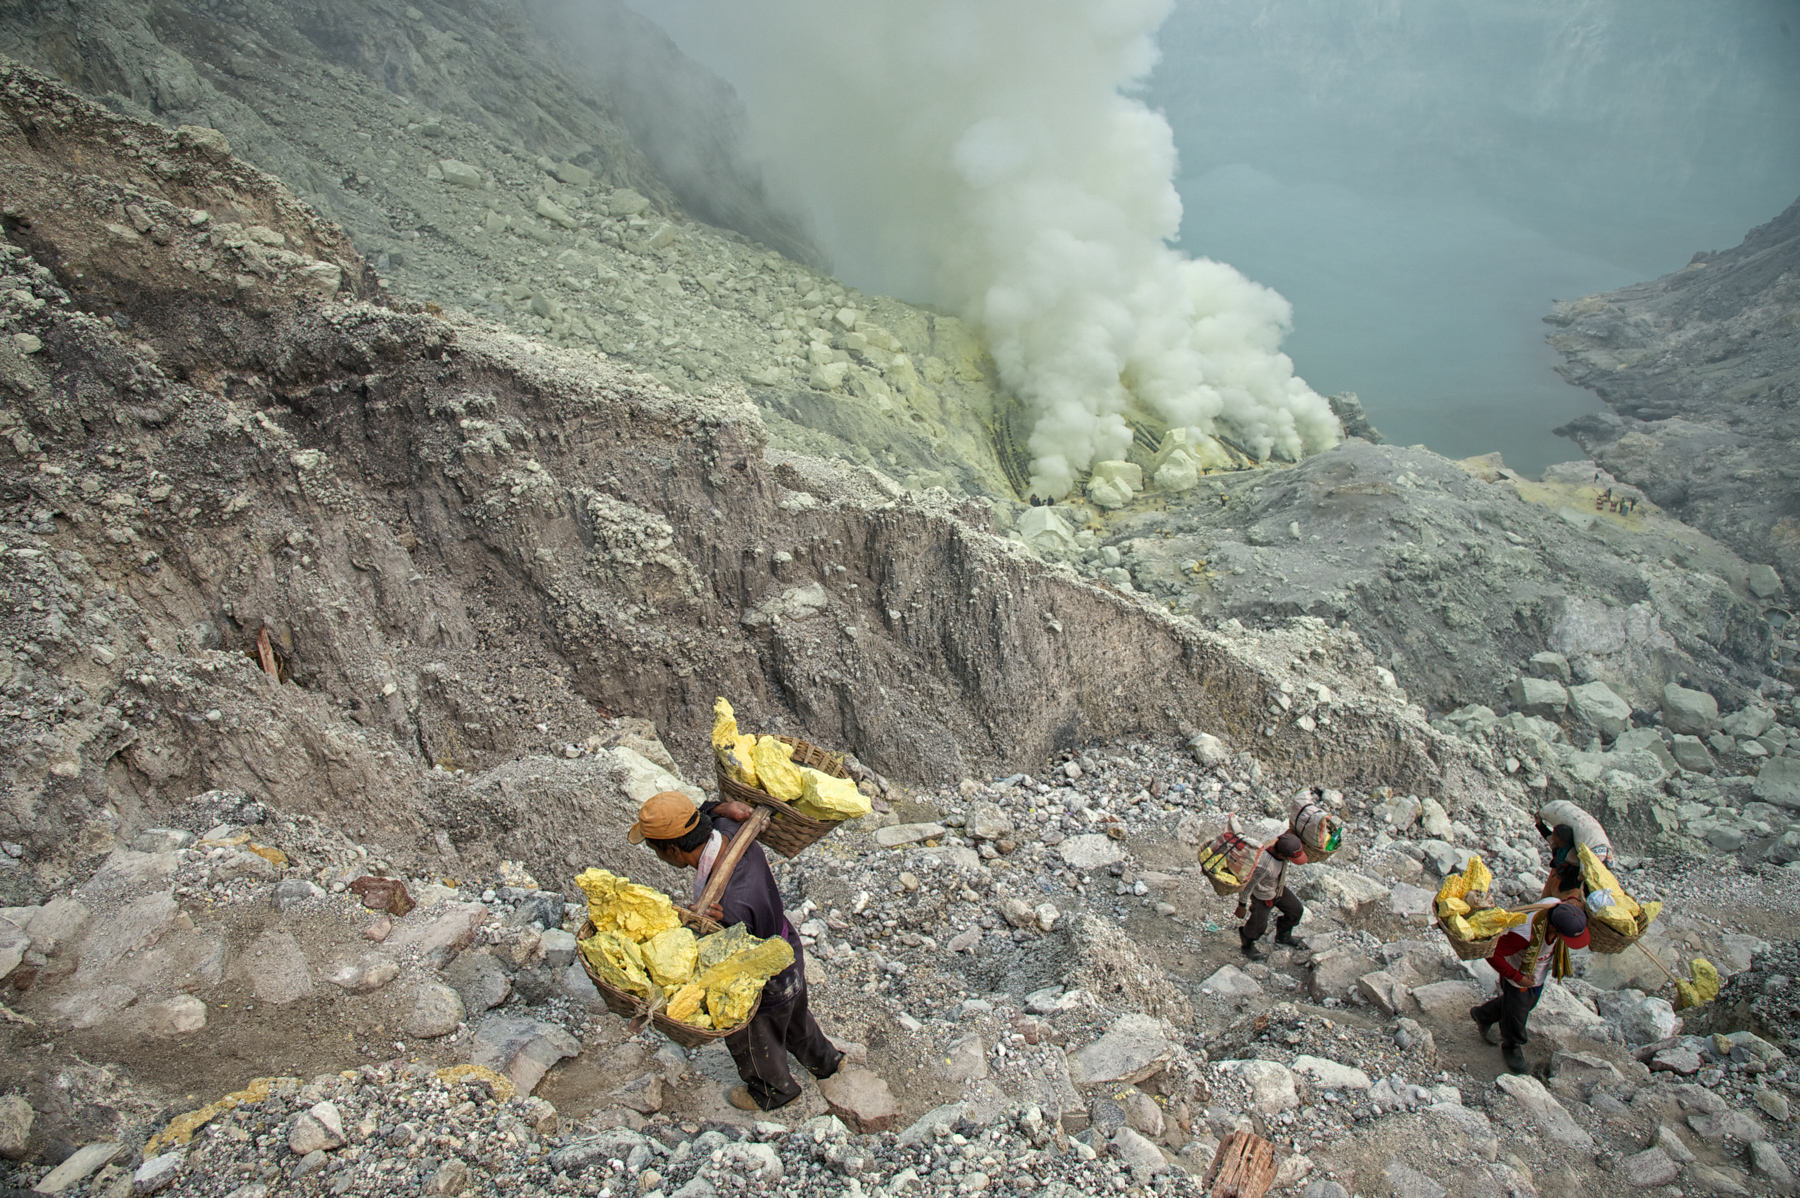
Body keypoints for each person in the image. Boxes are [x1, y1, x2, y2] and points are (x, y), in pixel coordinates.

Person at [629, 791, 842, 1111]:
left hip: (764, 976)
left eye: (654, 848)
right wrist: (722, 806)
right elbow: (707, 812)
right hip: (787, 951)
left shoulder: (728, 904)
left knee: (755, 1036)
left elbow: (727, 958)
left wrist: (712, 930)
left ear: (672, 849)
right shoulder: (728, 827)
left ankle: (774, 1091)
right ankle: (826, 1063)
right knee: (796, 1016)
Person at [1470, 890, 1591, 1074]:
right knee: (1518, 1015)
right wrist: (1517, 977)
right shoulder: (1524, 935)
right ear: (1554, 929)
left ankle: (1483, 1015)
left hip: (1537, 973)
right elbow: (1492, 952)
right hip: (1519, 976)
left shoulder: (1555, 906)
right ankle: (1512, 1045)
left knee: (1525, 1005)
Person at [1237, 832, 1307, 961]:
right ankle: (1247, 945)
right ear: (1281, 855)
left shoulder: (1279, 847)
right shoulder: (1264, 865)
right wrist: (1242, 904)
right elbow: (1248, 885)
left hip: (1277, 888)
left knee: (1295, 910)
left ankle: (1283, 936)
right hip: (1262, 896)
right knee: (1258, 925)